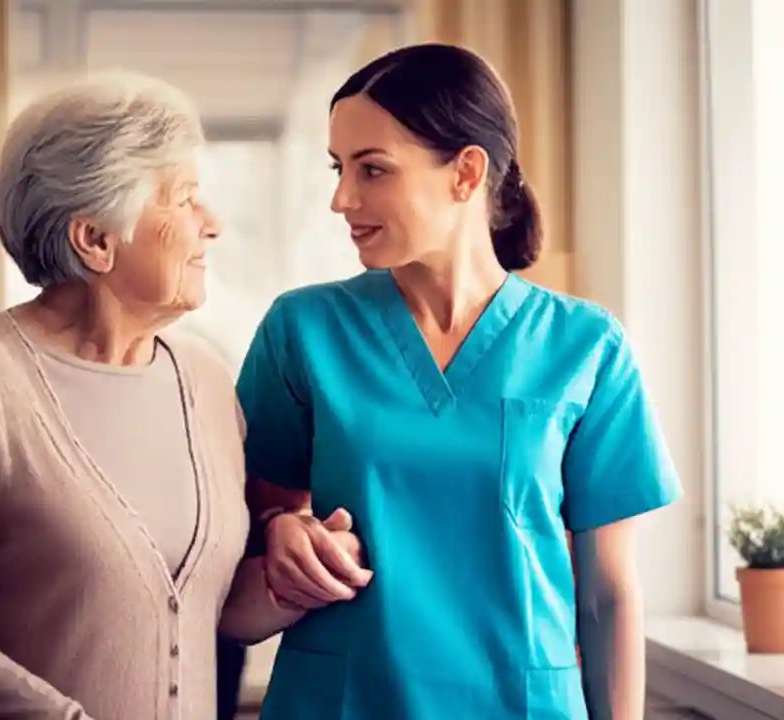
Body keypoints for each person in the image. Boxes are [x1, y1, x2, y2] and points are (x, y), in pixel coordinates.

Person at [0, 72, 370, 720]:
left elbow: (209, 610)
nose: (212, 224)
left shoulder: (206, 384)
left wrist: (298, 575)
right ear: (96, 240)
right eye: (184, 200)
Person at [239, 44, 682, 719]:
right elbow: (252, 522)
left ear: (466, 172)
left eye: (372, 170)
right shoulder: (302, 331)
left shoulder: (587, 348)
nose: (341, 198)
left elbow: (607, 593)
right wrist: (280, 529)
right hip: (344, 702)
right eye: (338, 168)